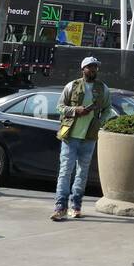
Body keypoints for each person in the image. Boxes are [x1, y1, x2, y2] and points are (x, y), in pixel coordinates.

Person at [51, 56, 113, 221]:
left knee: (82, 172)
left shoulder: (103, 88)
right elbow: (59, 107)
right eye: (90, 67)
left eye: (95, 67)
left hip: (89, 136)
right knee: (65, 171)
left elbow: (108, 108)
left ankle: (76, 206)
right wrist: (75, 110)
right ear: (83, 69)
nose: (93, 70)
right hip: (70, 136)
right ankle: (60, 206)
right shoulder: (72, 86)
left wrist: (100, 121)